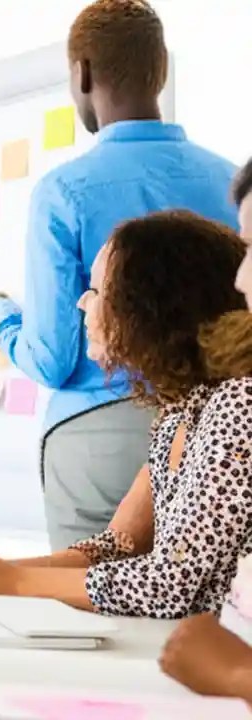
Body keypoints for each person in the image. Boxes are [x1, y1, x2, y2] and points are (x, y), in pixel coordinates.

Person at [0, 0, 239, 550]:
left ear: (82, 73)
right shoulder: (232, 182)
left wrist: (0, 315)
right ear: (160, 67)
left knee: (94, 620)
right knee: (210, 621)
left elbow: (52, 358)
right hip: (218, 438)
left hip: (99, 438)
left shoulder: (64, 192)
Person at [0, 211, 252, 618]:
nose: (83, 301)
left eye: (97, 289)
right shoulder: (178, 414)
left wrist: (9, 580)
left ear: (153, 309)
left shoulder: (239, 404)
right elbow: (118, 544)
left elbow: (168, 587)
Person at [156, 158, 252, 704]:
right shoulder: (181, 414)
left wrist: (238, 676)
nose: (240, 279)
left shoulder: (238, 404)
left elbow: (174, 578)